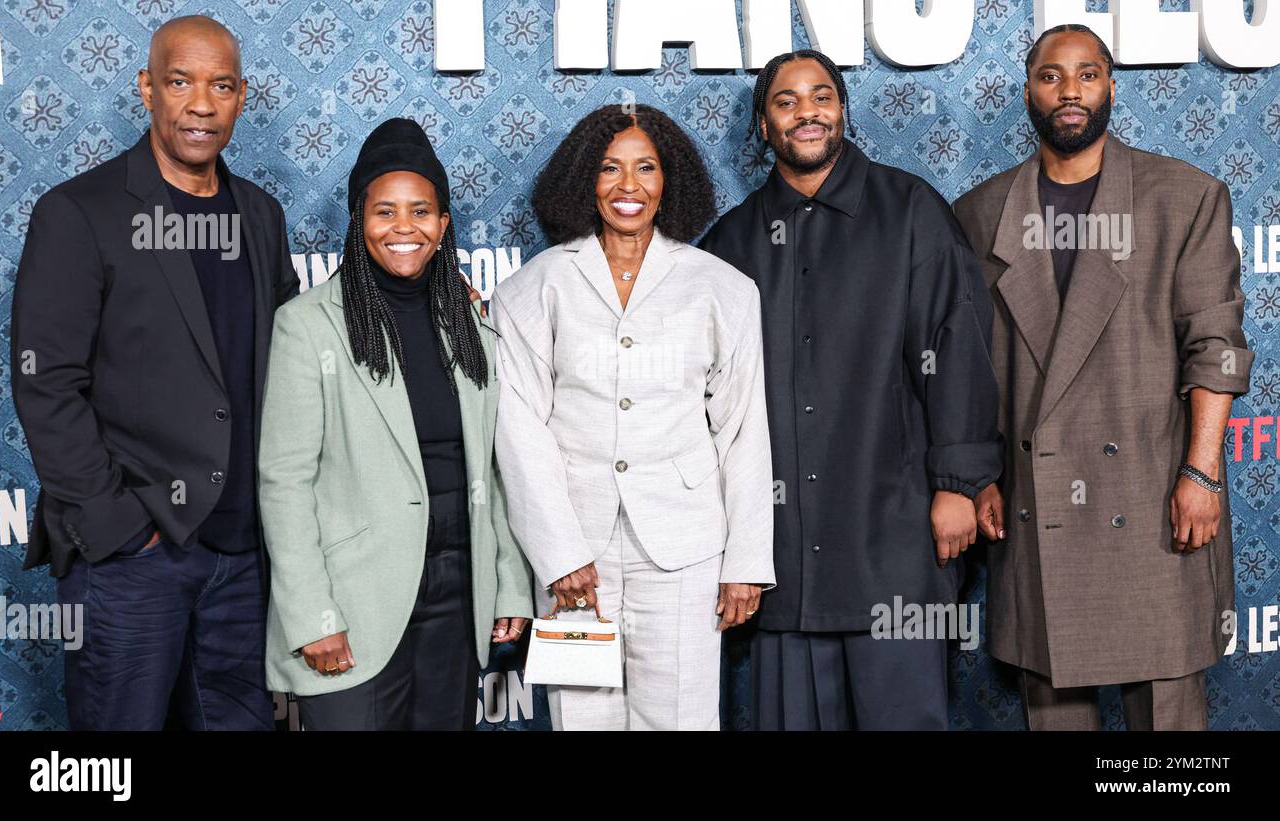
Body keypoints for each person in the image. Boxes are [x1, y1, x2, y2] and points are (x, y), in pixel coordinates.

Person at [953, 25, 1253, 731]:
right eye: (1051, 77)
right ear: (1028, 92)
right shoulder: (981, 213)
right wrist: (980, 475)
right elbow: (967, 366)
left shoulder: (1183, 197)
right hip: (1038, 505)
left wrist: (1202, 475)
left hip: (1155, 502)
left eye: (1087, 75)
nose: (1069, 92)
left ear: (1111, 88)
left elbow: (1216, 347)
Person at [699, 50, 1002, 730]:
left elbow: (958, 348)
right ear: (762, 125)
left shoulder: (910, 211)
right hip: (782, 559)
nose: (806, 111)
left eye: (821, 96)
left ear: (842, 110)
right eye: (786, 100)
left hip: (893, 545)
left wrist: (959, 482)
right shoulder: (731, 244)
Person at [10, 15, 296, 730]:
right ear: (146, 88)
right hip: (131, 558)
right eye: (180, 81)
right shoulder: (80, 212)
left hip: (242, 558)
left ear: (241, 97)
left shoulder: (260, 215)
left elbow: (295, 349)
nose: (201, 103)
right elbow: (45, 382)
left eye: (221, 85)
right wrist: (117, 525)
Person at [491, 104, 774, 730]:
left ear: (669, 179)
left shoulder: (721, 288)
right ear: (582, 182)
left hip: (685, 547)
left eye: (645, 168)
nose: (628, 186)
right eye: (609, 168)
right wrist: (559, 553)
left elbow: (743, 429)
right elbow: (518, 431)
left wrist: (747, 563)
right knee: (582, 720)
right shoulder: (533, 289)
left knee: (681, 718)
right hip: (574, 549)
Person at [257, 118, 533, 731]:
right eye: (385, 212)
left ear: (442, 225)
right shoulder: (308, 326)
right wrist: (312, 617)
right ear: (359, 222)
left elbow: (496, 464)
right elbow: (284, 483)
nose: (403, 228)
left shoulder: (472, 326)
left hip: (459, 596)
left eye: (421, 211)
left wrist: (509, 583)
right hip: (355, 600)